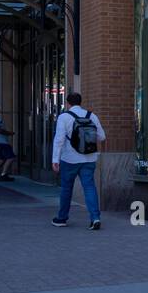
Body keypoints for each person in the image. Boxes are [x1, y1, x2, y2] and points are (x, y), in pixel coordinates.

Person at [51, 92, 106, 230]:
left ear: (68, 103)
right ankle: (95, 218)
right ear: (80, 102)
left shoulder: (64, 117)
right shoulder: (91, 116)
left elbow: (59, 140)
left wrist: (55, 159)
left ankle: (62, 218)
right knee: (89, 187)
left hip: (69, 159)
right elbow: (102, 137)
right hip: (89, 158)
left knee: (66, 188)